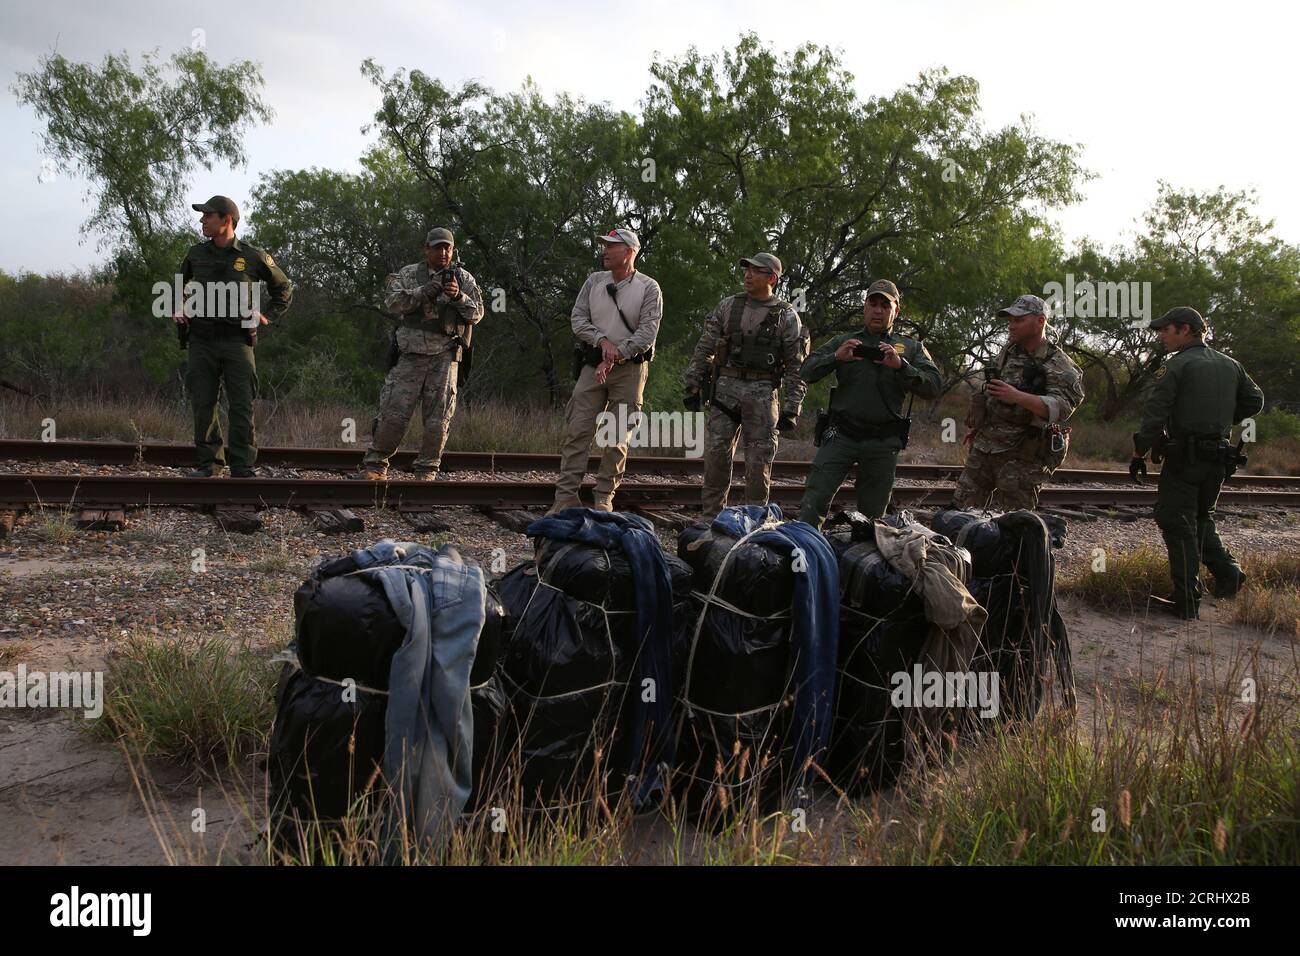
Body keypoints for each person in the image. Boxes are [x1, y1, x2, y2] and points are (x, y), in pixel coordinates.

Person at [1130, 306, 1264, 619]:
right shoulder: (1231, 364)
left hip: (1185, 459)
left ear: (1185, 330)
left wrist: (1139, 452)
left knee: (1176, 521)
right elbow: (1255, 400)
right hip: (1218, 458)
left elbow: (1155, 412)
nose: (1162, 336)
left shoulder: (1176, 365)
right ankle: (1229, 573)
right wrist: (1221, 416)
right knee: (1201, 519)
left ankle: (1186, 600)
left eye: (1166, 330)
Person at [797, 280, 942, 526]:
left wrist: (901, 366)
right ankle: (806, 546)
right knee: (814, 500)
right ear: (864, 308)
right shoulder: (845, 341)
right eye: (873, 304)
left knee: (874, 518)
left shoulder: (910, 347)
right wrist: (836, 357)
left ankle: (865, 550)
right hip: (841, 435)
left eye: (885, 306)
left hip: (882, 442)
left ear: (896, 311)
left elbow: (934, 386)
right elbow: (806, 371)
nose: (878, 311)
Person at [174, 195, 293, 477]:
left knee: (241, 405)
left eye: (208, 216)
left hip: (237, 341)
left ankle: (242, 466)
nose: (202, 221)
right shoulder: (195, 254)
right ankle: (210, 465)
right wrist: (178, 305)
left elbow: (283, 287)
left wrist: (268, 315)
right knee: (203, 404)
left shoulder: (252, 256)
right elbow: (179, 282)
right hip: (201, 340)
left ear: (226, 220)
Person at [353, 228, 484, 480]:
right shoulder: (409, 274)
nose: (443, 253)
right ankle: (376, 466)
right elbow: (392, 302)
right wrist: (422, 292)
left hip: (444, 357)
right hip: (410, 356)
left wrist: (458, 296)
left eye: (447, 248)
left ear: (453, 250)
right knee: (393, 413)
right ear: (427, 249)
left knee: (438, 419)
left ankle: (427, 470)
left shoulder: (463, 278)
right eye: (438, 247)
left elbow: (477, 314)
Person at [684, 253, 808, 515]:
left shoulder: (786, 316)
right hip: (725, 394)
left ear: (772, 278)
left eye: (756, 271)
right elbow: (705, 346)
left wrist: (792, 406)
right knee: (717, 456)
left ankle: (755, 518)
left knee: (758, 462)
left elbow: (795, 365)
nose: (748, 275)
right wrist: (693, 382)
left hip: (762, 395)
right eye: (747, 270)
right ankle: (711, 517)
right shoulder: (728, 306)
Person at [551, 228, 662, 512]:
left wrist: (615, 356)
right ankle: (565, 498)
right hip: (592, 365)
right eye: (604, 245)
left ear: (629, 251)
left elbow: (647, 333)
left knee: (617, 436)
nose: (605, 251)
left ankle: (603, 497)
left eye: (612, 246)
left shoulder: (649, 288)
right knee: (578, 430)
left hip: (630, 369)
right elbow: (578, 319)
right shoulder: (594, 281)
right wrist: (602, 342)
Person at [952, 294, 1084, 510]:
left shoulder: (1058, 364)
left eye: (1019, 320)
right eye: (1010, 320)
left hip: (1022, 455)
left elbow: (1061, 408)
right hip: (986, 446)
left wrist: (1017, 396)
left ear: (1040, 321)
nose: (1011, 326)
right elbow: (993, 389)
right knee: (962, 511)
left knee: (1013, 520)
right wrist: (981, 418)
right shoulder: (1008, 353)